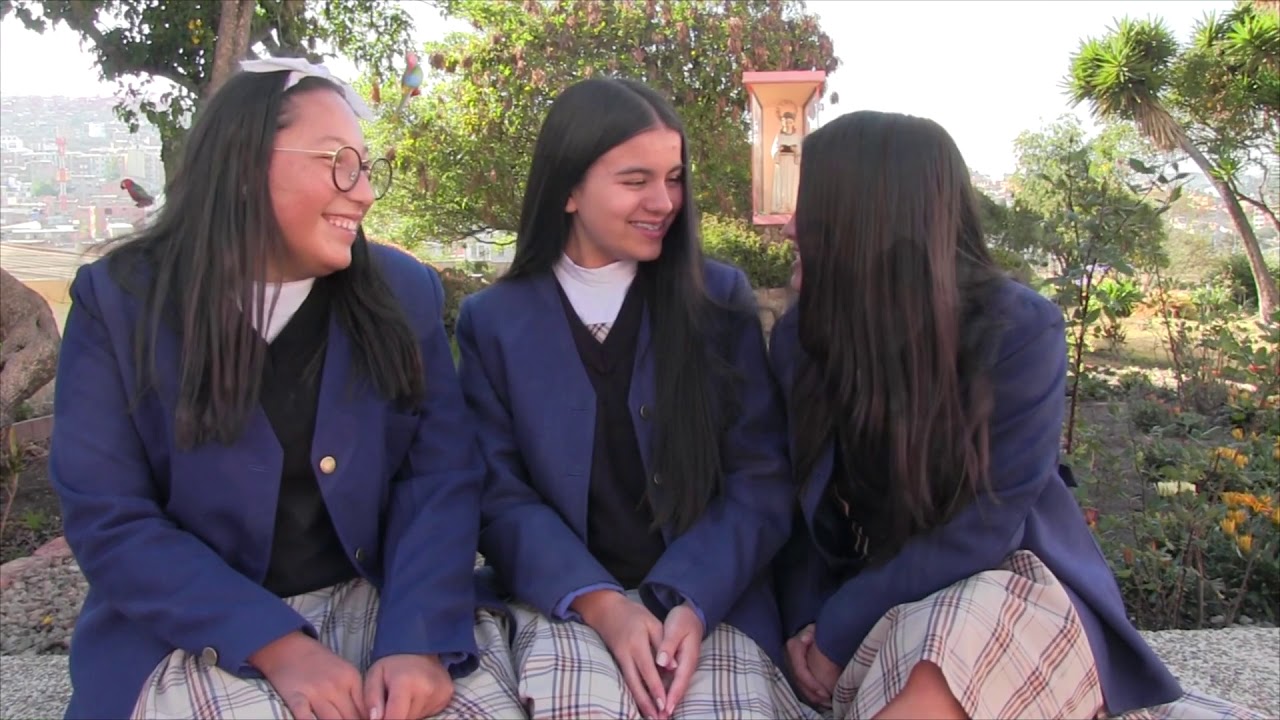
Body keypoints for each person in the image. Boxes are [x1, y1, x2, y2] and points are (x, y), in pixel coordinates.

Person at [49, 58, 523, 720]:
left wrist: (417, 639)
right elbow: (109, 515)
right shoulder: (123, 301)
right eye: (339, 163)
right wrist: (276, 645)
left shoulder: (399, 292)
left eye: (366, 168)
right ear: (245, 165)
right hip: (195, 625)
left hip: (379, 598)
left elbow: (439, 478)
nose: (363, 193)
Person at [769, 109, 1262, 720]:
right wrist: (808, 624)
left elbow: (983, 525)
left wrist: (838, 629)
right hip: (867, 594)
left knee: (942, 656)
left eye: (810, 204)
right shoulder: (801, 340)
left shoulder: (1018, 331)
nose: (789, 226)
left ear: (868, 217)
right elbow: (794, 509)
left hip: (1006, 582)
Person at [455, 77, 809, 720]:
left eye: (674, 179)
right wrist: (602, 604)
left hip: (710, 605)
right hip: (563, 605)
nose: (664, 201)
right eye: (635, 180)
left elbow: (759, 478)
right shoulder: (494, 322)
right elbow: (499, 496)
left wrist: (690, 599)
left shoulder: (716, 301)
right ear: (568, 190)